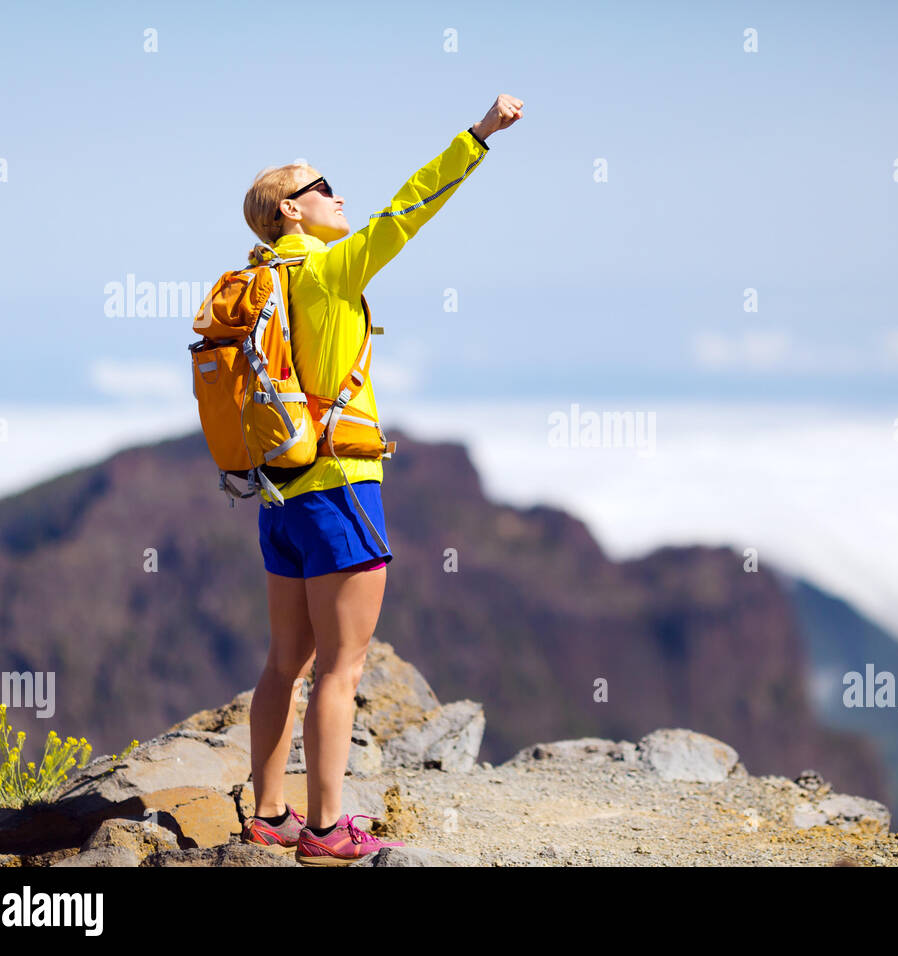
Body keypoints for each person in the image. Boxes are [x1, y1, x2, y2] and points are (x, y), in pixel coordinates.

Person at [237, 95, 523, 865]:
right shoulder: (330, 271)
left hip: (280, 492)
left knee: (282, 663)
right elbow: (408, 211)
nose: (339, 196)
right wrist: (477, 138)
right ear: (290, 212)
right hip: (338, 486)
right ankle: (328, 828)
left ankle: (269, 813)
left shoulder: (258, 281)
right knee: (342, 668)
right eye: (323, 186)